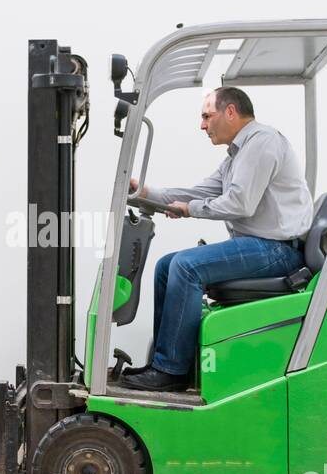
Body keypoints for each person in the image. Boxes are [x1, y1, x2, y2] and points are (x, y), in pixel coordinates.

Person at [121, 86, 313, 392]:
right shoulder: (238, 153)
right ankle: (166, 363)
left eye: (207, 116)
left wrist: (190, 210)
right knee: (167, 266)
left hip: (277, 250)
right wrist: (145, 193)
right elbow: (200, 193)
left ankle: (170, 369)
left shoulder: (262, 143)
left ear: (231, 112)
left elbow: (240, 204)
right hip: (258, 246)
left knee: (186, 266)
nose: (202, 125)